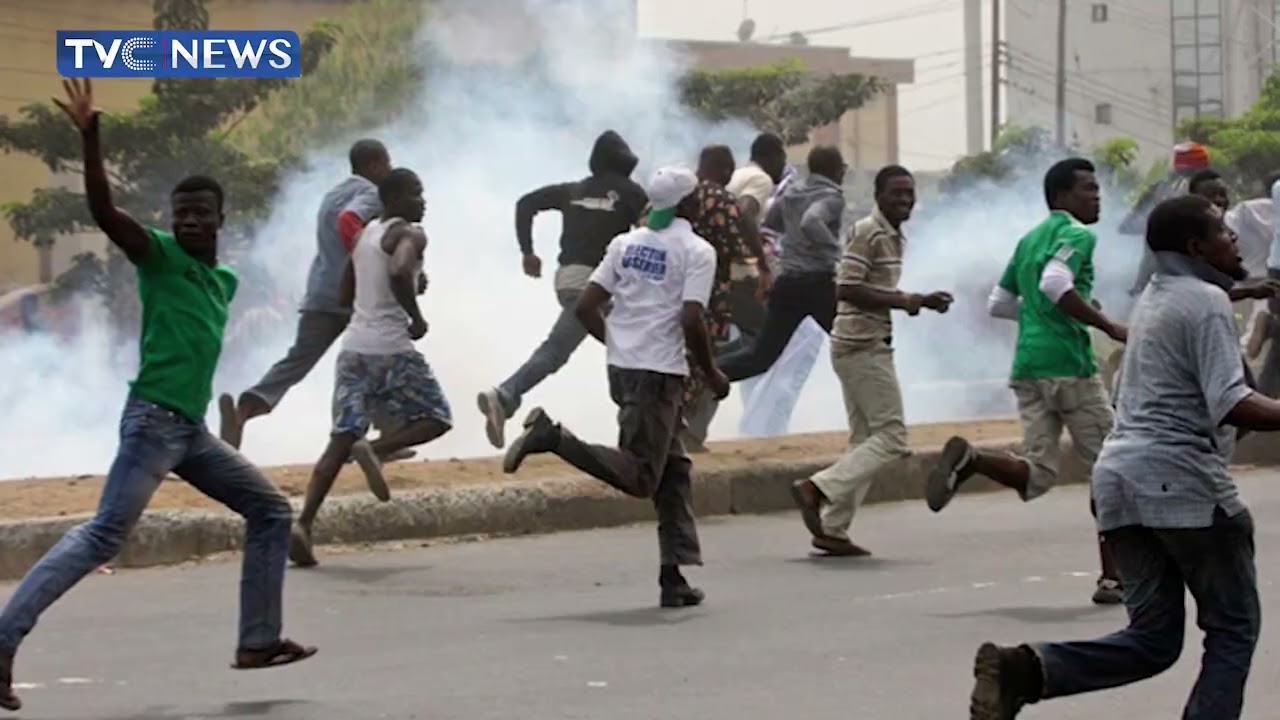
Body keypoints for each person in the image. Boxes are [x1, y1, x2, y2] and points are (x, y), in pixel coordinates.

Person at [0, 79, 316, 713]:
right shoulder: (160, 257)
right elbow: (104, 214)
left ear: (222, 220)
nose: (190, 220)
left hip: (189, 432)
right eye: (181, 213)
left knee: (272, 512)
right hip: (151, 423)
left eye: (201, 212)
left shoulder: (223, 280)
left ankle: (257, 641)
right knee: (102, 537)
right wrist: (91, 139)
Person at [967, 194, 1279, 720]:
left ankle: (1026, 670)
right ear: (1196, 246)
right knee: (1233, 627)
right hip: (1179, 483)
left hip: (1117, 483)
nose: (1235, 239)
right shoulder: (1205, 302)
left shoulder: (1157, 297)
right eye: (1225, 234)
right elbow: (1232, 403)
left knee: (1154, 639)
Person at [500, 166, 726, 609]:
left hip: (623, 369)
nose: (700, 203)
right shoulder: (697, 251)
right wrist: (713, 373)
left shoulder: (625, 244)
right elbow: (692, 318)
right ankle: (553, 437)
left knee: (673, 470)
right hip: (659, 374)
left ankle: (673, 576)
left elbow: (586, 306)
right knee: (643, 475)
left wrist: (619, 343)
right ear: (687, 205)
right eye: (696, 198)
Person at [926, 158, 1127, 605]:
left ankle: (975, 460)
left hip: (1028, 366)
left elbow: (1000, 303)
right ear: (1061, 197)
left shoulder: (1027, 240)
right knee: (1113, 470)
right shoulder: (1077, 234)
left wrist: (1040, 314)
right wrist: (1108, 326)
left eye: (1097, 189)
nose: (1096, 197)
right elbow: (1057, 284)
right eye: (1087, 189)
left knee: (1039, 474)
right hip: (1070, 366)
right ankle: (1114, 578)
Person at [289, 169, 453, 567]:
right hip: (392, 349)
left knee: (340, 437)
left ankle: (304, 524)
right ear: (394, 199)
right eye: (417, 194)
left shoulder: (364, 235)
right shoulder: (410, 235)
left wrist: (394, 287)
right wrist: (415, 315)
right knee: (437, 418)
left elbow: (346, 291)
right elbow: (398, 271)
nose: (423, 201)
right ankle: (377, 451)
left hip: (353, 350)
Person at [790, 166, 952, 556]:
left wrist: (917, 301)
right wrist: (906, 300)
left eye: (909, 193)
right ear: (878, 195)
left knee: (865, 440)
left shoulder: (892, 235)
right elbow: (846, 287)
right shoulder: (869, 231)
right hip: (861, 345)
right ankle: (818, 488)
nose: (905, 200)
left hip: (862, 340)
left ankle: (832, 528)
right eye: (896, 193)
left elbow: (875, 288)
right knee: (892, 437)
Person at [477, 130, 648, 449]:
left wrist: (527, 251)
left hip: (569, 279)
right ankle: (506, 394)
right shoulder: (632, 193)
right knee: (616, 346)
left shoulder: (572, 190)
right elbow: (649, 232)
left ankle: (640, 419)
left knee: (624, 345)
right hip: (601, 284)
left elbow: (525, 203)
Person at [220, 139, 392, 450]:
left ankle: (244, 410)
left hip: (320, 292)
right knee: (380, 356)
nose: (389, 171)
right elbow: (349, 221)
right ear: (375, 165)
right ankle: (375, 434)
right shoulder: (370, 193)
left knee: (298, 360)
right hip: (354, 294)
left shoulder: (332, 193)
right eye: (387, 164)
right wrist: (363, 258)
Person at [715, 145, 846, 383]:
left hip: (788, 285)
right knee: (853, 342)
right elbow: (811, 221)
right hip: (818, 284)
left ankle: (703, 373)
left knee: (760, 357)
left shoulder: (792, 193)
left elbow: (772, 224)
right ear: (837, 171)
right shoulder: (832, 197)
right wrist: (838, 252)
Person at [680, 145, 765, 452]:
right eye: (728, 168)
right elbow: (742, 222)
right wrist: (763, 266)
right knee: (708, 364)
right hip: (709, 299)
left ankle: (668, 429)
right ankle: (689, 435)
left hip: (667, 296)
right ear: (721, 168)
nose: (731, 175)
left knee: (676, 362)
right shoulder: (721, 199)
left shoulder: (675, 192)